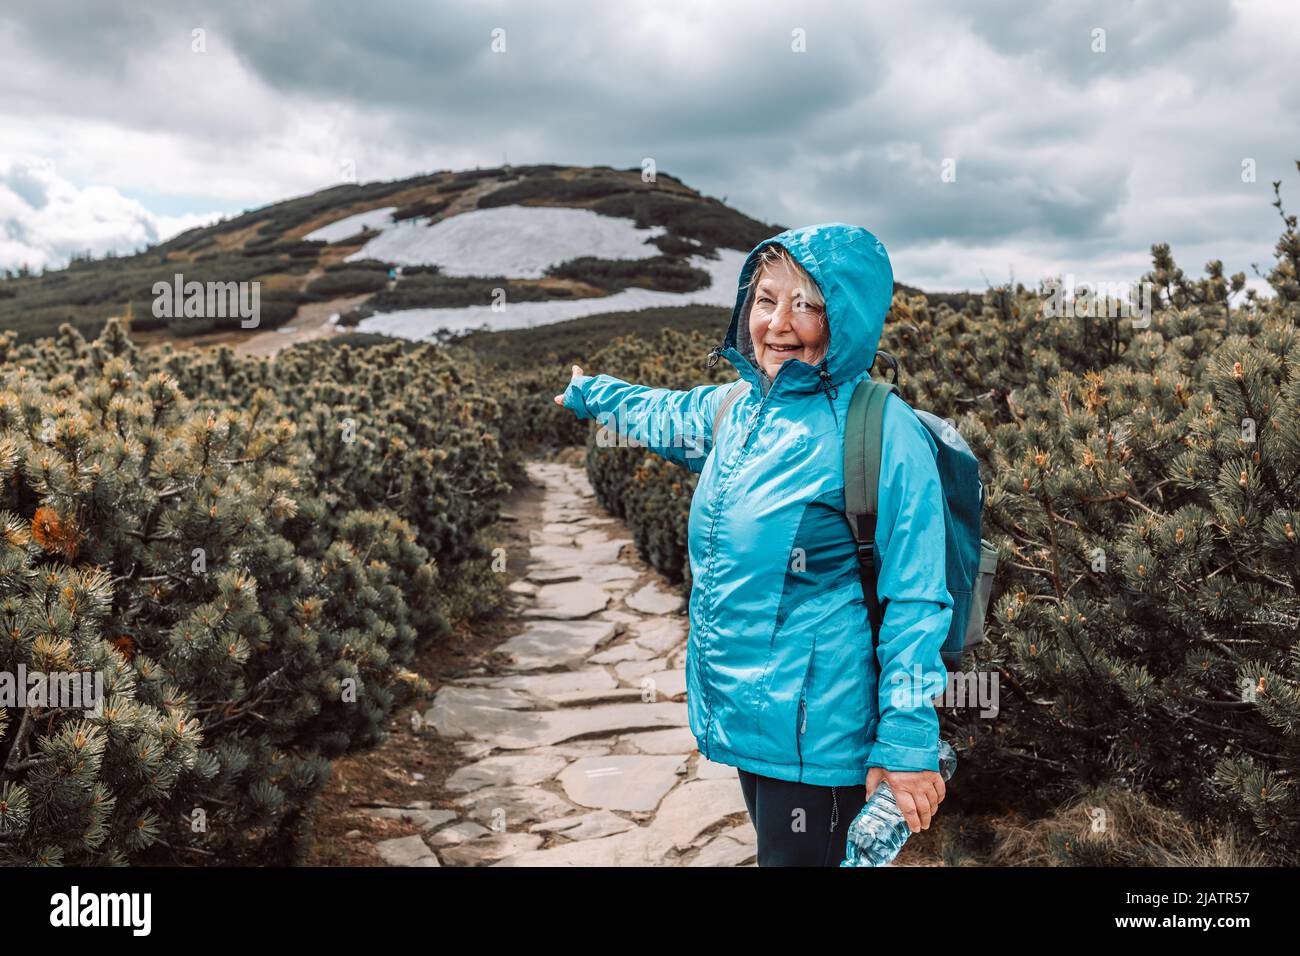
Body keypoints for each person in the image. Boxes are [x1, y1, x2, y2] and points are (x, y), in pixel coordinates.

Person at [553, 223, 952, 866]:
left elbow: (916, 598)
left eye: (810, 304)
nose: (780, 323)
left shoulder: (882, 430)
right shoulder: (737, 408)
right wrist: (591, 392)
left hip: (822, 738)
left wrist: (906, 743)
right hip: (754, 721)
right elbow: (661, 413)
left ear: (847, 317)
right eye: (766, 300)